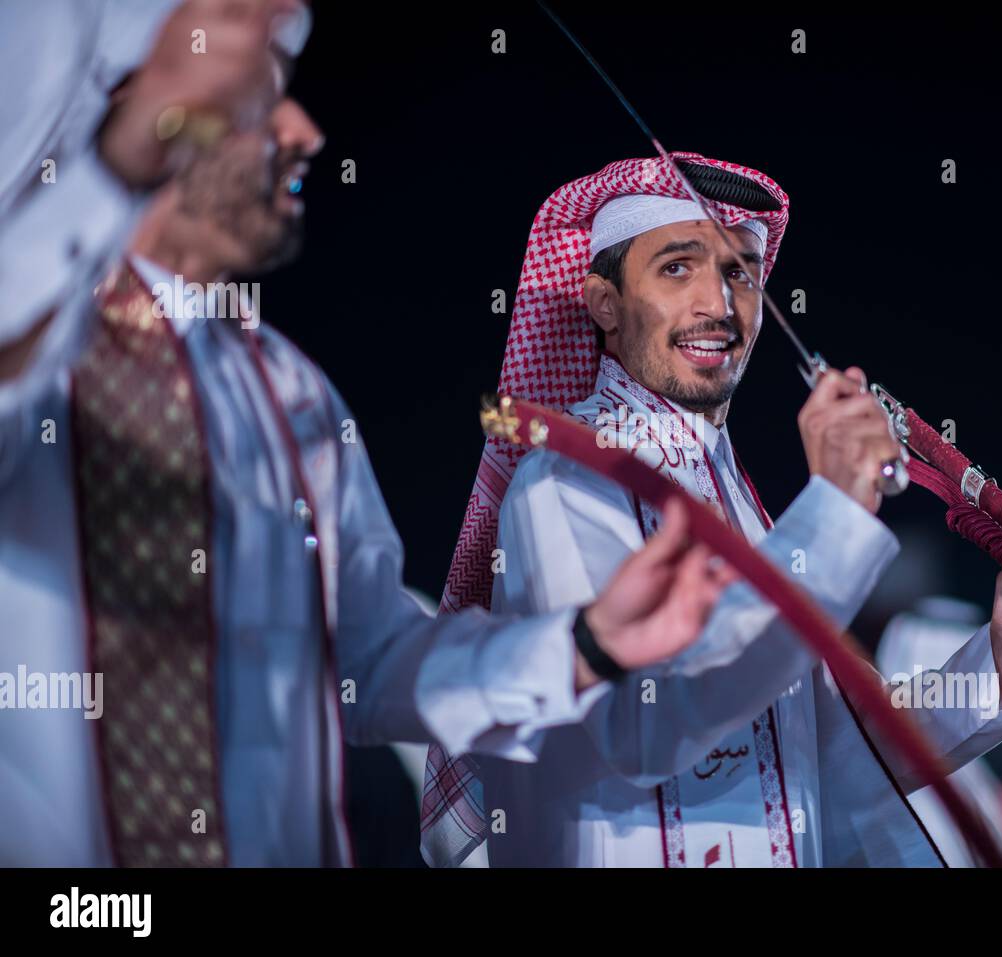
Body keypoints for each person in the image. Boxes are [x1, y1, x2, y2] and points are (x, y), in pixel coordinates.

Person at [0, 1, 731, 867]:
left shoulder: (290, 389)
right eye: (257, 100)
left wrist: (585, 644)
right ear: (145, 107)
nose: (306, 132)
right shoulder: (40, 345)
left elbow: (373, 662)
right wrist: (114, 163)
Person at [430, 152, 1002, 866]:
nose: (718, 303)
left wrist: (999, 658)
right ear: (604, 302)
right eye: (677, 267)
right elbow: (636, 723)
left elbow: (846, 753)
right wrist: (832, 515)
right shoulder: (565, 480)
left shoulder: (741, 509)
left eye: (739, 270)